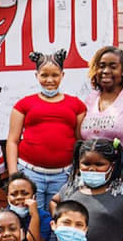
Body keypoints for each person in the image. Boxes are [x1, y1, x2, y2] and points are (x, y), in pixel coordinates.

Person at [6, 50, 86, 212]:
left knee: (60, 217)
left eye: (55, 75)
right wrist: (14, 175)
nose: (50, 80)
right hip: (29, 173)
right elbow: (12, 141)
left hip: (63, 175)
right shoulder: (24, 104)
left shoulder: (76, 105)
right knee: (28, 217)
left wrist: (77, 172)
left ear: (62, 75)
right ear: (36, 75)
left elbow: (80, 142)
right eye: (44, 75)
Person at [79, 46, 123, 174]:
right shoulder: (91, 98)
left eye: (113, 67)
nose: (106, 71)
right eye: (101, 66)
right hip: (93, 172)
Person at [3, 172, 51, 241]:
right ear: (7, 197)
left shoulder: (44, 217)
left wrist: (34, 216)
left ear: (34, 197)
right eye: (13, 194)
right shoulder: (0, 217)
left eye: (25, 193)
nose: (19, 197)